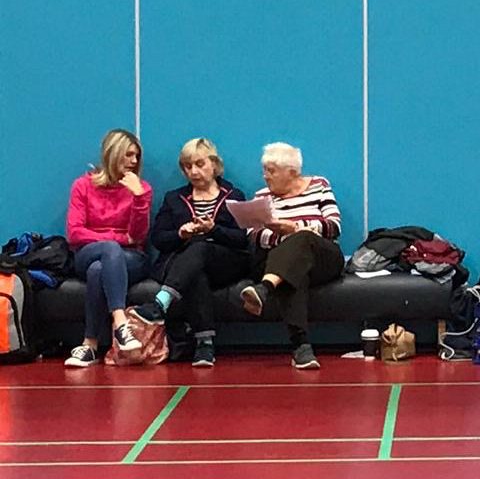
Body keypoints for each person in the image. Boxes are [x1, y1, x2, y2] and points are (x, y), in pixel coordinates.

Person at [133, 138, 250, 367]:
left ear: (214, 164)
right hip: (184, 264)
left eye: (199, 164)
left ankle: (160, 303)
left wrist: (212, 229)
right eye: (188, 166)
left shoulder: (234, 195)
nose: (194, 171)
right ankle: (205, 345)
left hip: (225, 262)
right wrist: (180, 234)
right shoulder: (174, 198)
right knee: (196, 270)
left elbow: (241, 239)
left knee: (201, 246)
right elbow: (158, 238)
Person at [239, 142, 343, 369]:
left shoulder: (319, 185)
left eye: (271, 171)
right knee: (292, 269)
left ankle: (264, 289)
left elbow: (334, 226)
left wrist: (295, 229)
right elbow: (253, 235)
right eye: (264, 170)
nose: (265, 176)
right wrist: (283, 237)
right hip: (278, 261)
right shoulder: (262, 196)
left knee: (302, 240)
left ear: (292, 172)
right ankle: (301, 347)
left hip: (322, 258)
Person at [63, 128, 153, 367]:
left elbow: (138, 235)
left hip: (131, 259)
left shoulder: (141, 188)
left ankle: (90, 345)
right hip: (87, 252)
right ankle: (121, 324)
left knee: (98, 271)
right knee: (108, 249)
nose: (134, 162)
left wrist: (139, 198)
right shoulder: (83, 185)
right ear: (113, 155)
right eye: (128, 155)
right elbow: (75, 232)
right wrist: (117, 239)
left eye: (137, 156)